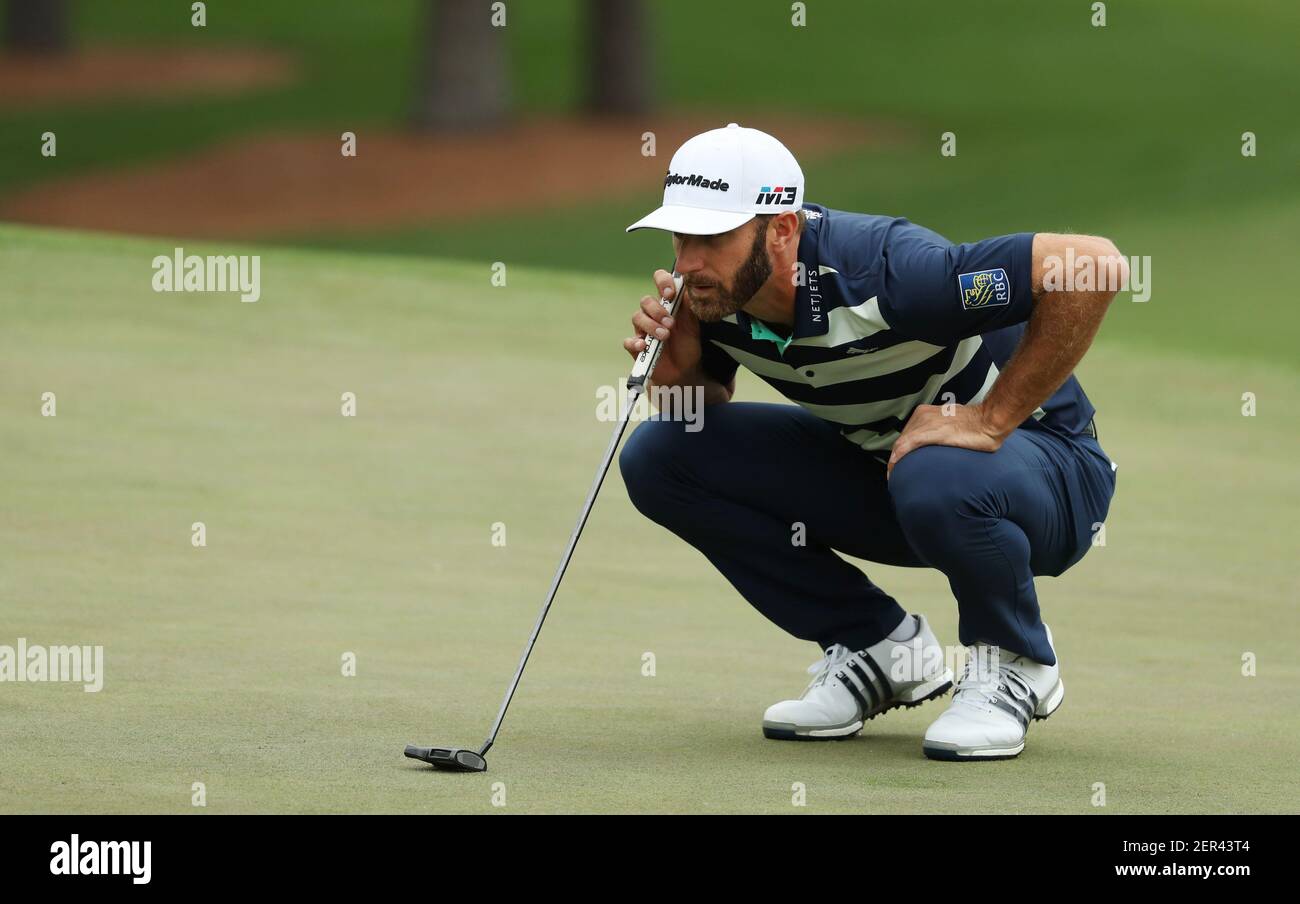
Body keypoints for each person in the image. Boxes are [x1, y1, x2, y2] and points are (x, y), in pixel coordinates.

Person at [620, 123, 1122, 760]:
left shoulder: (894, 272)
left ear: (782, 229)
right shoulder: (715, 299)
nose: (689, 261)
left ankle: (1016, 661)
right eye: (681, 235)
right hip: (897, 475)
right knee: (663, 453)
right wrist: (680, 377)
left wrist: (991, 417)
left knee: (935, 468)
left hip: (1052, 478)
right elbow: (706, 413)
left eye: (712, 237)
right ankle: (878, 649)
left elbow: (1092, 266)